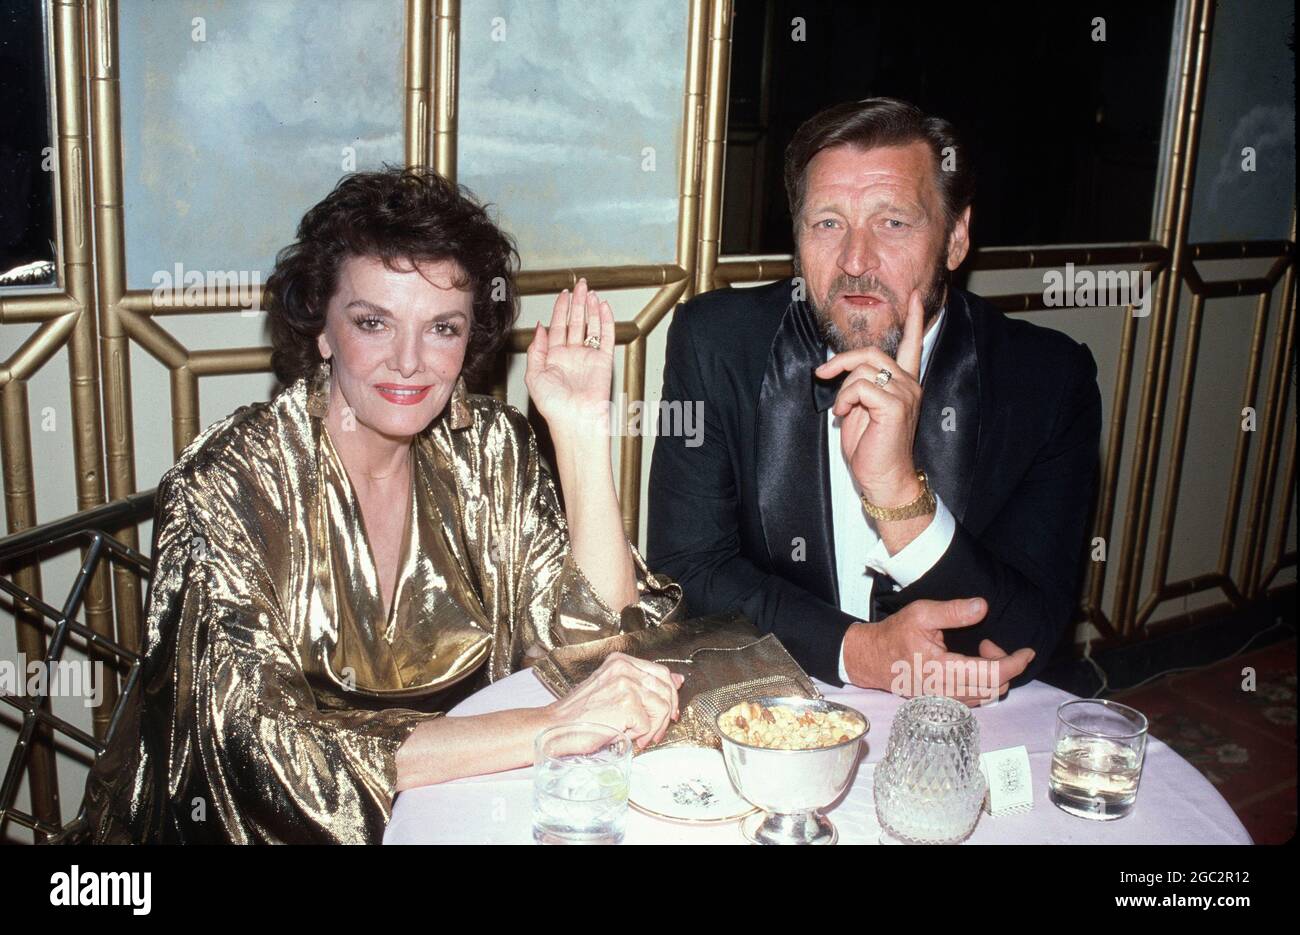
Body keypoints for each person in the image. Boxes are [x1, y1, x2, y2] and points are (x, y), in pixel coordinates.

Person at [83, 167, 683, 843]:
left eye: (442, 328)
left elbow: (600, 647)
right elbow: (256, 747)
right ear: (321, 329)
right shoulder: (232, 482)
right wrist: (549, 726)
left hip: (462, 807)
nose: (408, 361)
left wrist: (576, 436)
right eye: (373, 322)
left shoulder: (488, 449)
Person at [647, 98, 1102, 704]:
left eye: (893, 223)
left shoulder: (1046, 381)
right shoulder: (718, 343)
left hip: (960, 726)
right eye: (827, 223)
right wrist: (860, 651)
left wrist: (899, 496)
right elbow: (687, 571)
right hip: (773, 699)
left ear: (956, 238)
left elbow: (1026, 634)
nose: (856, 262)